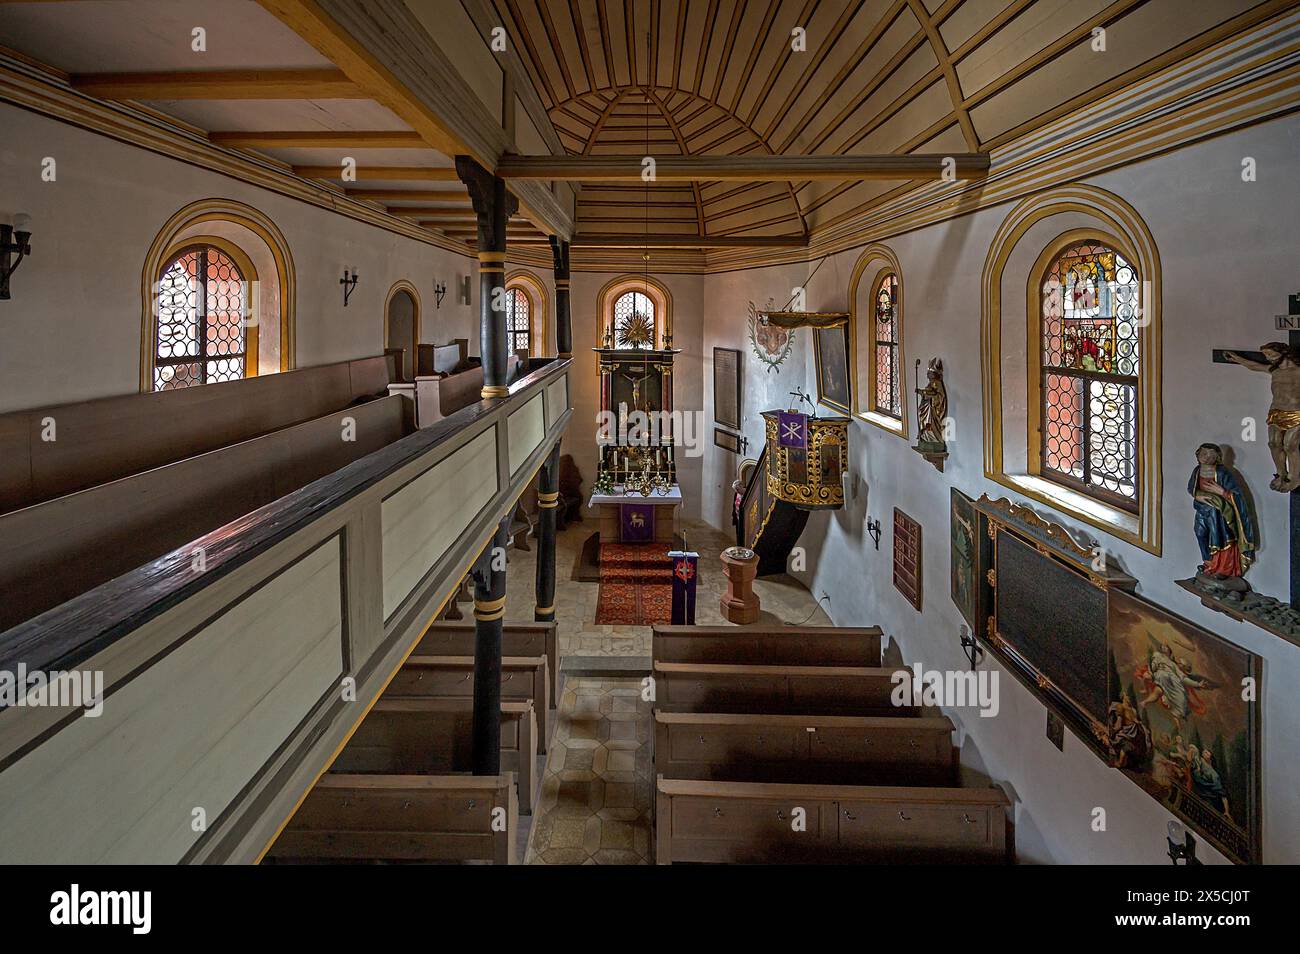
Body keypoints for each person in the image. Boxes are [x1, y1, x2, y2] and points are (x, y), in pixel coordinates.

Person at [1224, 342, 1300, 491]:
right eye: (1266, 355)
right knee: (1273, 443)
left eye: (1271, 354)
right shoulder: (1274, 371)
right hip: (1276, 412)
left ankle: (1294, 478)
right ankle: (1280, 474)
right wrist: (1237, 359)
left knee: (1290, 445)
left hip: (1296, 413)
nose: (1269, 358)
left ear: (1284, 352)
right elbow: (1254, 366)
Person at [1188, 442, 1256, 579]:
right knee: (1200, 533)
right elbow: (1191, 488)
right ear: (1198, 455)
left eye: (1211, 456)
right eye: (1204, 454)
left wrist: (1222, 491)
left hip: (1220, 514)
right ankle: (1208, 562)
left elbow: (1238, 496)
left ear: (1217, 458)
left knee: (1220, 538)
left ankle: (1224, 569)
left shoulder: (1222, 473)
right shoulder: (1197, 470)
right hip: (1202, 509)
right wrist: (1197, 495)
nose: (1207, 458)